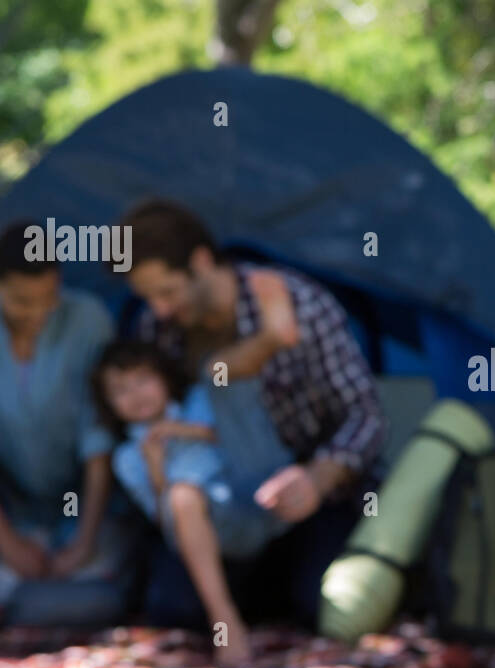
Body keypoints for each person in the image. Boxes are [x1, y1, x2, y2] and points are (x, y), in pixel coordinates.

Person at [113, 198, 389, 632]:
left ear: (202, 262)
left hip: (306, 490)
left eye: (167, 291)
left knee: (316, 604)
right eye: (148, 297)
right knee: (174, 611)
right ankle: (247, 596)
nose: (160, 309)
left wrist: (316, 479)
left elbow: (366, 417)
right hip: (221, 496)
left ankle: (267, 590)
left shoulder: (305, 304)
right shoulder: (158, 328)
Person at [0, 220, 138, 626]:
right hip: (16, 513)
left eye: (49, 299)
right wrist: (6, 541)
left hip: (91, 508)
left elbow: (99, 438)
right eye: (23, 302)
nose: (38, 314)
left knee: (93, 594)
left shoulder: (88, 319)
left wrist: (84, 540)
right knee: (6, 589)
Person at [92, 339, 298, 667]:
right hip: (196, 540)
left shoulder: (200, 401)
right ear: (108, 404)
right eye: (120, 390)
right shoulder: (127, 457)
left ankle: (228, 619)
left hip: (249, 512)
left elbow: (241, 440)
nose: (135, 394)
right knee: (170, 606)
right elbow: (163, 522)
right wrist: (156, 469)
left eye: (143, 380)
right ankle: (225, 617)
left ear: (165, 379)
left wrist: (181, 430)